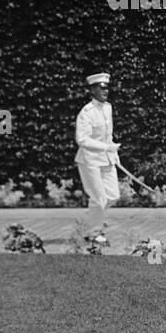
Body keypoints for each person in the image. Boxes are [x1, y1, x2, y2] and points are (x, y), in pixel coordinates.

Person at [74, 71, 121, 241]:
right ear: (92, 90)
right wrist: (106, 147)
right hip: (89, 160)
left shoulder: (108, 108)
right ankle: (93, 233)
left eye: (107, 88)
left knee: (113, 196)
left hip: (106, 158)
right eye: (101, 88)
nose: (105, 91)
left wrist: (113, 153)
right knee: (99, 199)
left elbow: (108, 135)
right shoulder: (86, 112)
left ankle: (92, 221)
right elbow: (81, 139)